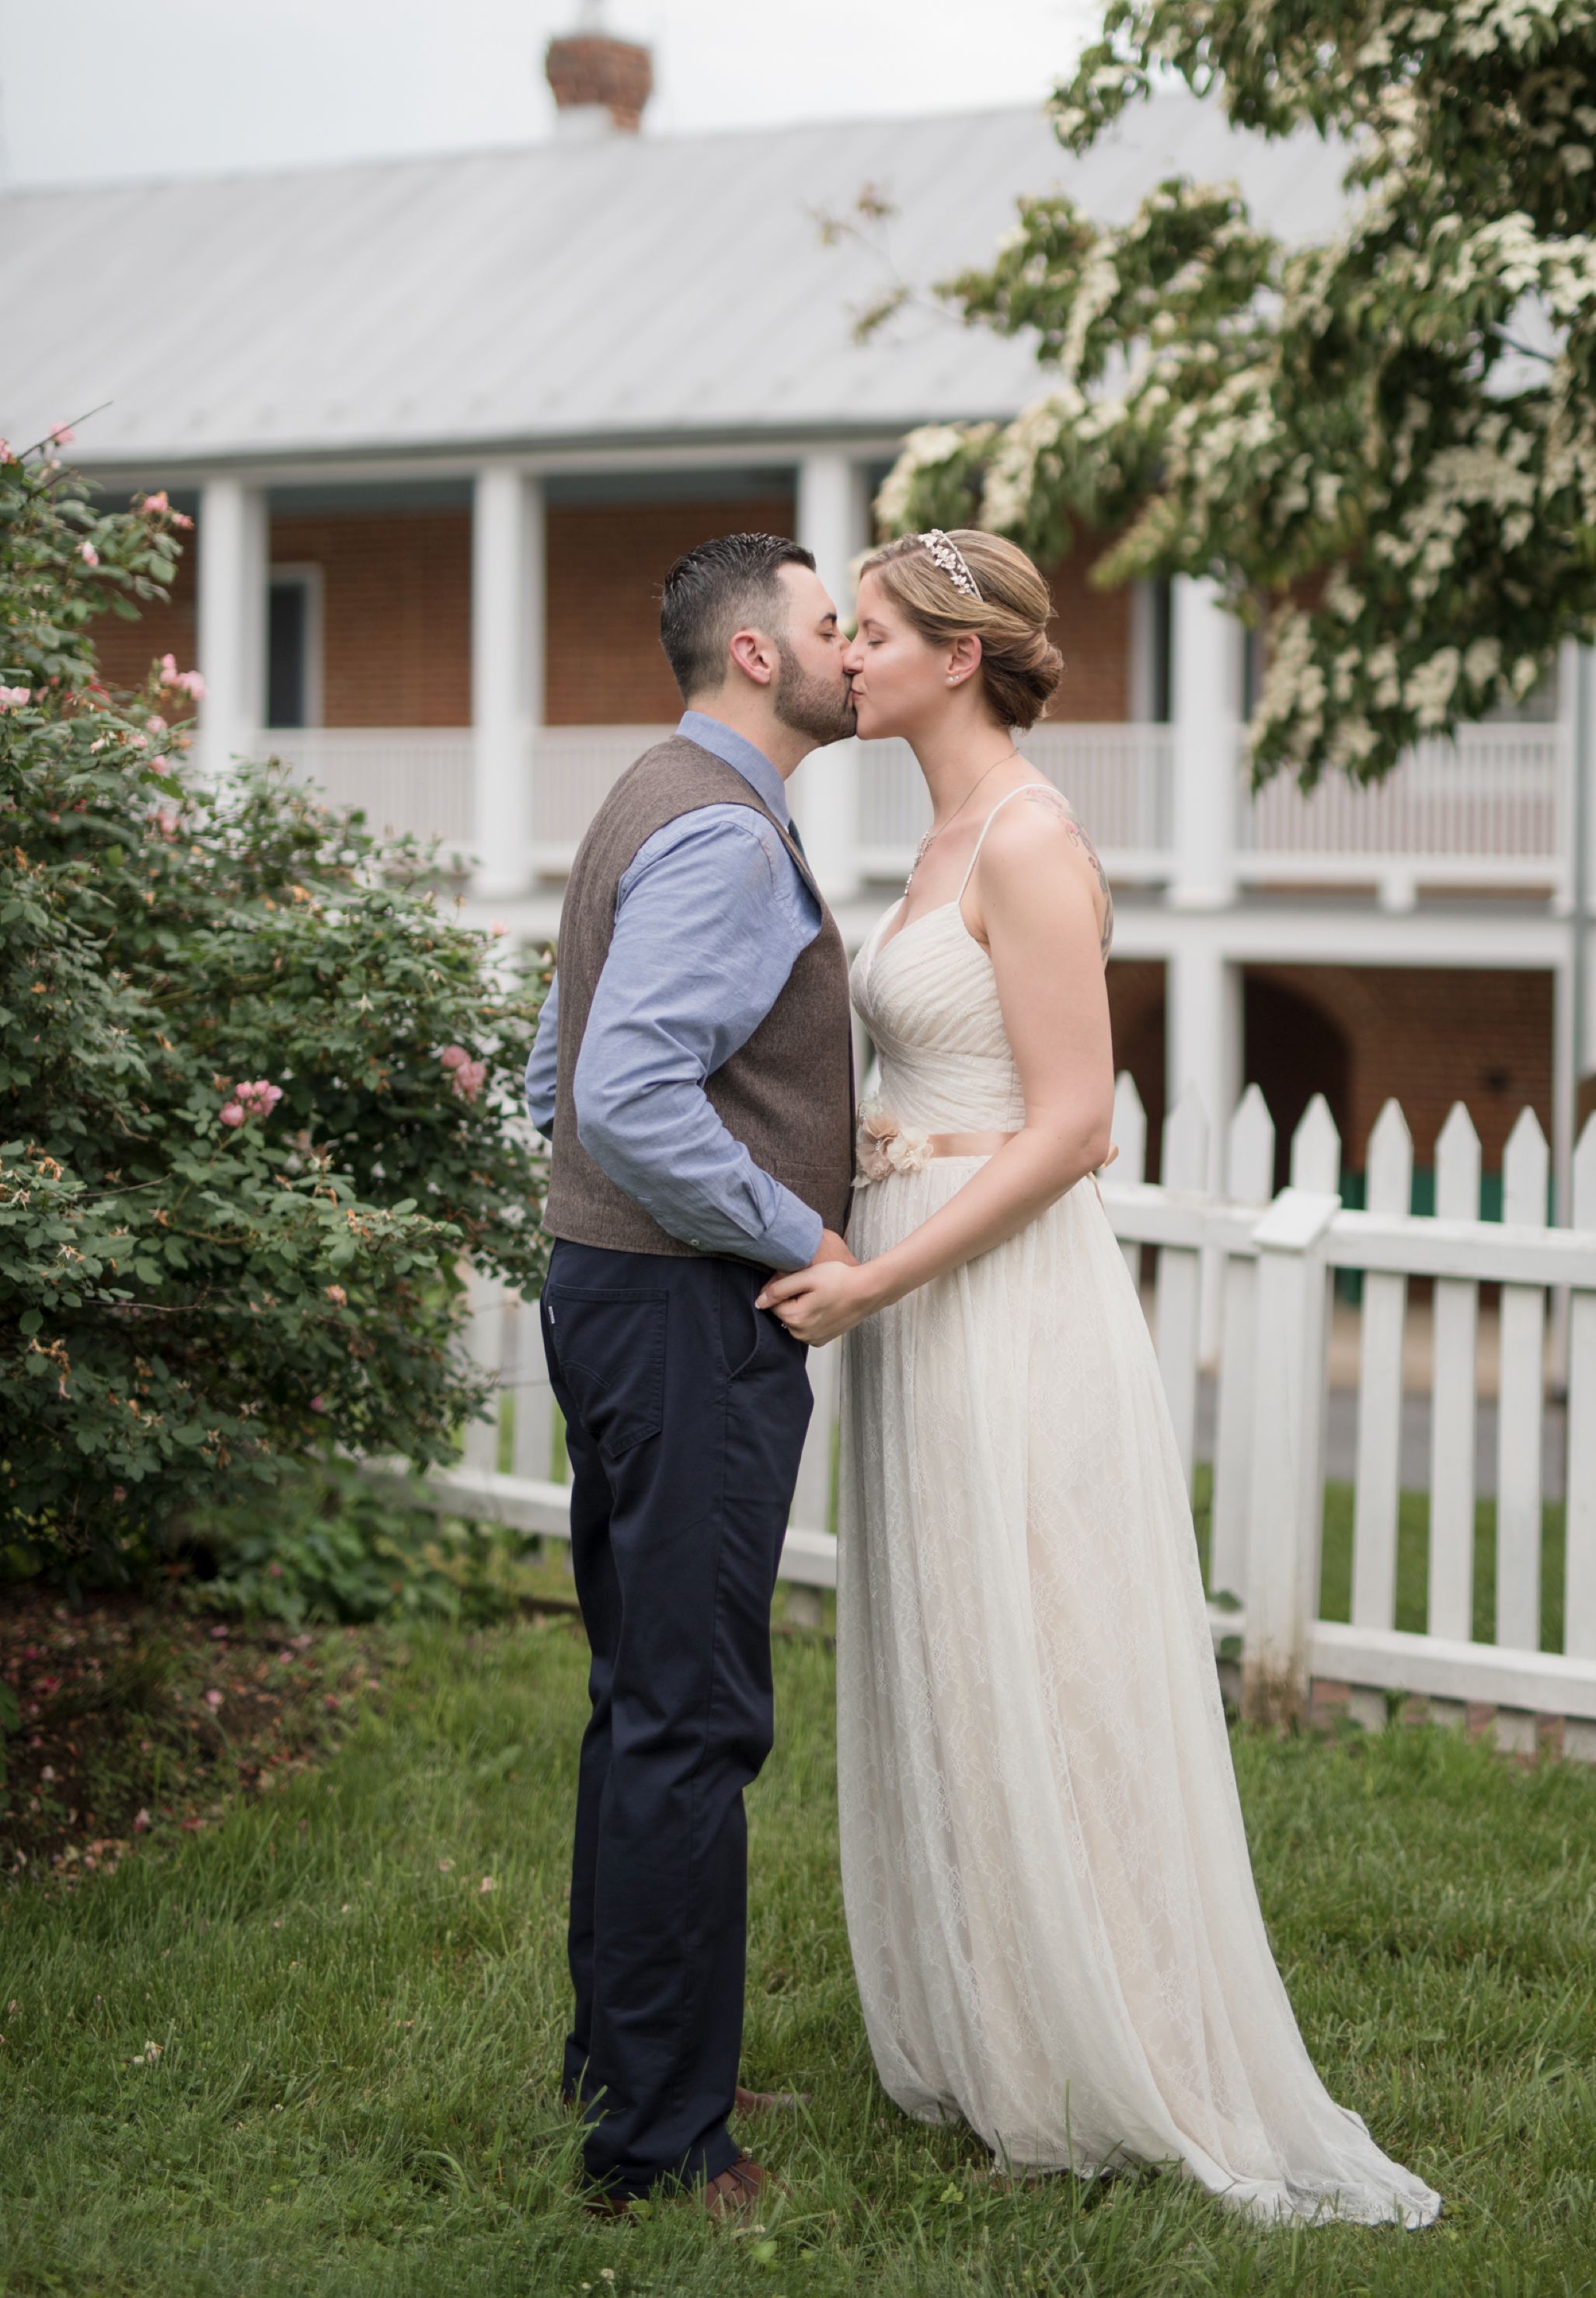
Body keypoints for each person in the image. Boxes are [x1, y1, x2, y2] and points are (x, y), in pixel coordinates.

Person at [757, 526, 1439, 2225]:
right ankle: (1001, 2029)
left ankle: (1111, 2042)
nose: (848, 654)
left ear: (957, 656)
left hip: (996, 1295)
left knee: (1046, 1651)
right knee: (952, 1650)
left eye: (879, 632)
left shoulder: (1031, 838)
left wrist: (876, 1274)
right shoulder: (930, 838)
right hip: (911, 1286)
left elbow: (1075, 1128)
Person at [524, 531, 858, 2219]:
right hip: (683, 1318)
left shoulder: (644, 790)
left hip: (604, 1289)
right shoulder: (726, 830)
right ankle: (660, 2146)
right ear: (752, 654)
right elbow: (624, 1092)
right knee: (691, 1718)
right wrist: (791, 1223)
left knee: (636, 1695)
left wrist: (607, 1198)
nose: (851, 647)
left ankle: (620, 2058)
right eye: (826, 625)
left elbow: (551, 1065)